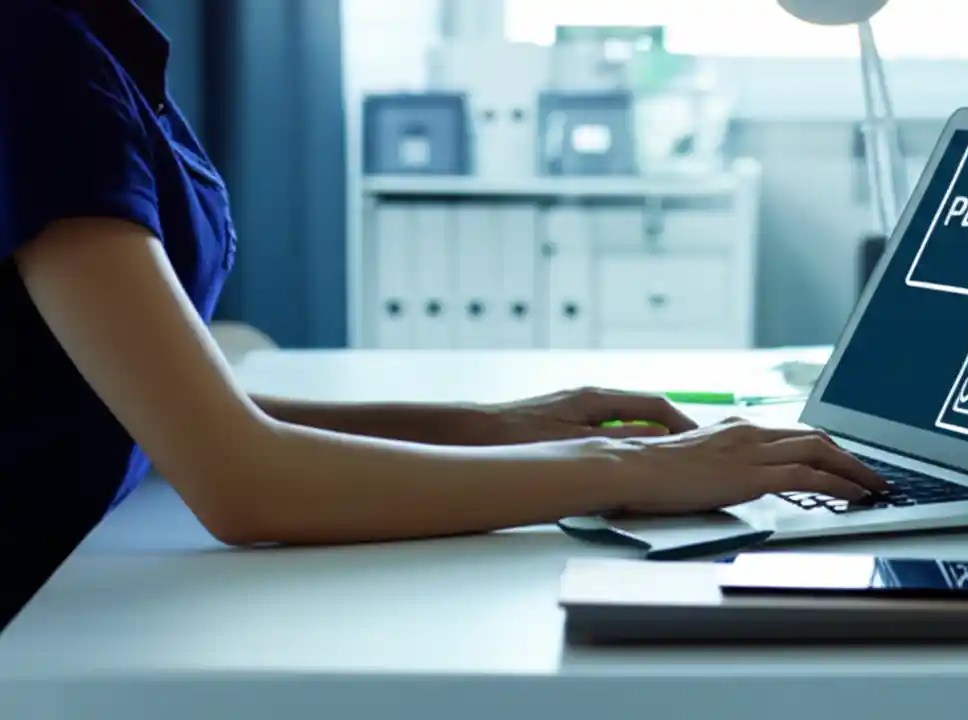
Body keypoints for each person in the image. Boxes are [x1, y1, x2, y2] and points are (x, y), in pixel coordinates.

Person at [0, 0, 883, 627]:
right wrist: (624, 469)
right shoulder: (36, 51)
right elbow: (241, 484)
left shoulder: (89, 40)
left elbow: (145, 408)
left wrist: (487, 426)